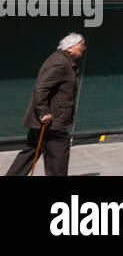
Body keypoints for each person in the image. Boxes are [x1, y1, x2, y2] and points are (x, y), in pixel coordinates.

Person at [5, 33, 85, 176]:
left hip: (45, 119)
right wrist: (44, 112)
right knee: (58, 155)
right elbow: (41, 88)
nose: (83, 48)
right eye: (81, 45)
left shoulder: (61, 59)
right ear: (70, 47)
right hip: (52, 120)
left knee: (31, 151)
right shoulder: (60, 63)